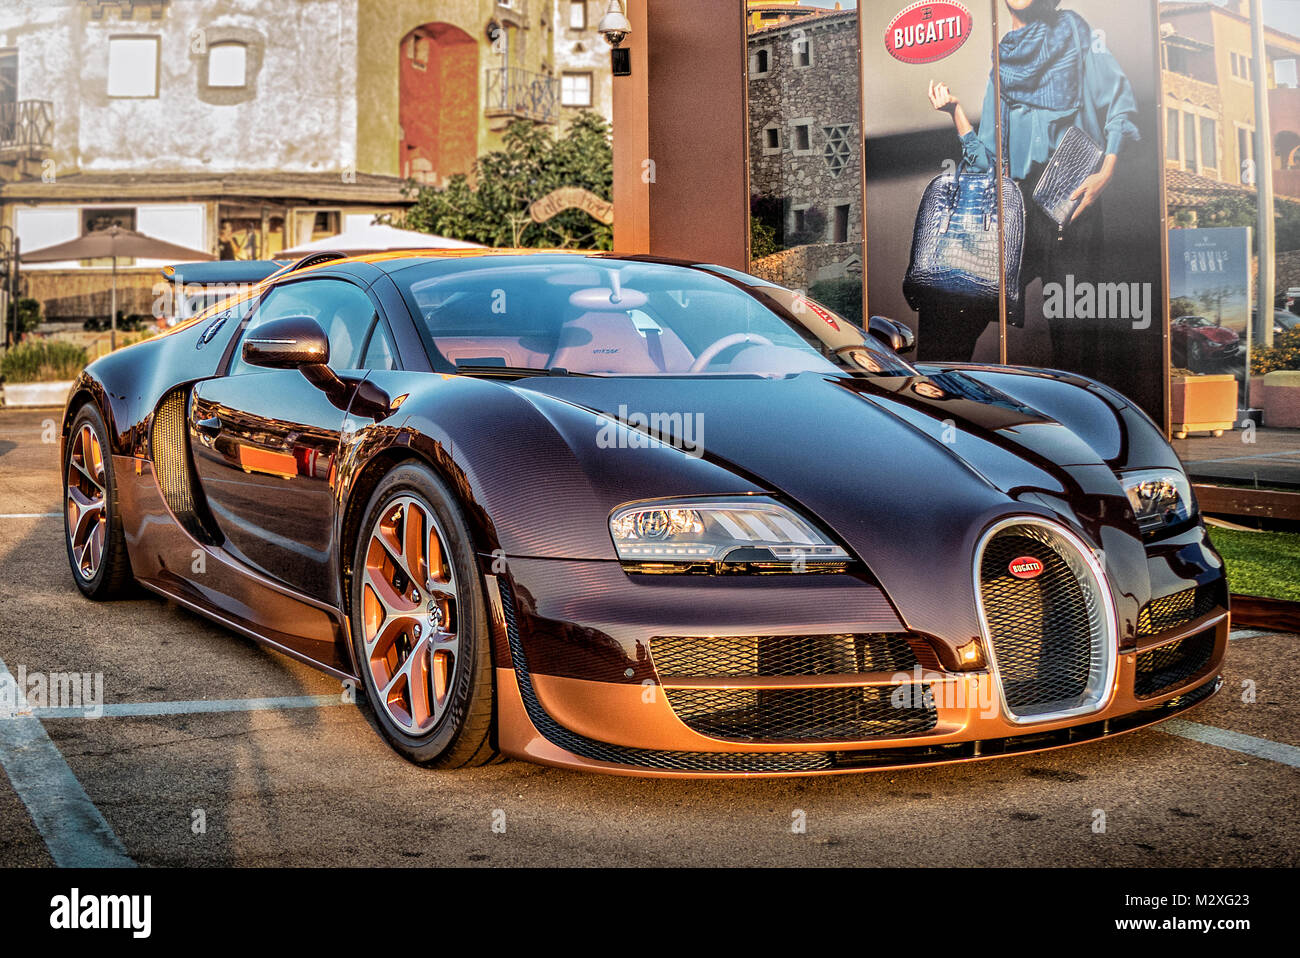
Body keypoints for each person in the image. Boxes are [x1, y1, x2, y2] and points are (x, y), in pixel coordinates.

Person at [924, 0, 1139, 366]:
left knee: (1075, 331)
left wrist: (1105, 173)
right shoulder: (1004, 60)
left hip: (1070, 198)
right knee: (949, 306)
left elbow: (1121, 103)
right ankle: (930, 405)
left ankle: (1081, 416)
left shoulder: (1075, 32)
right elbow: (989, 161)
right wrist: (956, 114)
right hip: (1017, 204)